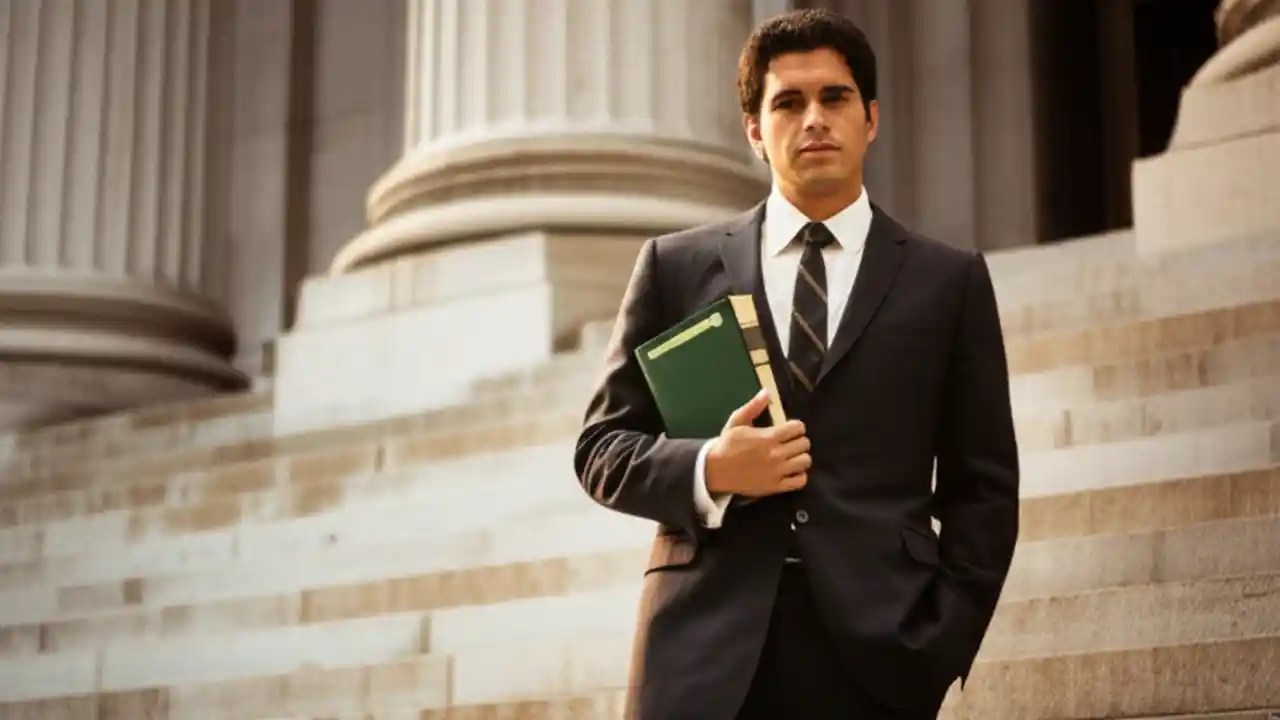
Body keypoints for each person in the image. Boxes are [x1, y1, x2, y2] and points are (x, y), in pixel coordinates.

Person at [573, 8, 1019, 719]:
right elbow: (600, 449)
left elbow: (984, 490)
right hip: (700, 654)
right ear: (755, 130)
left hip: (879, 656)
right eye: (788, 102)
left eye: (834, 98)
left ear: (870, 118)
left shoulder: (948, 282)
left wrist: (941, 639)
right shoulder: (675, 267)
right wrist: (710, 469)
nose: (814, 119)